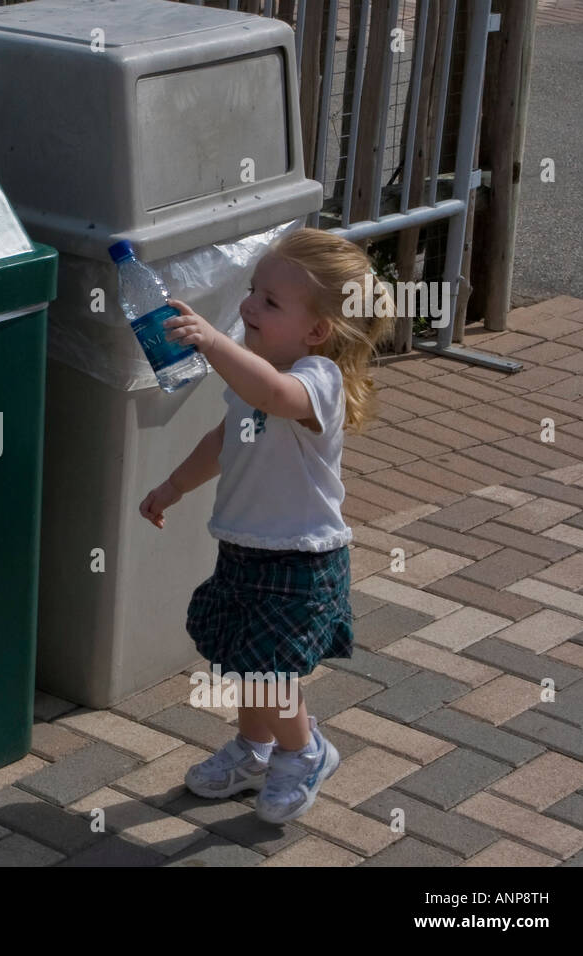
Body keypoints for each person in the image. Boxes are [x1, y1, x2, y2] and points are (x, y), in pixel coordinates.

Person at [139, 228, 396, 824]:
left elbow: (278, 396)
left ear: (317, 333)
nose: (249, 306)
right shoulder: (257, 373)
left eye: (269, 302)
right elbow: (228, 439)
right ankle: (255, 752)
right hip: (246, 549)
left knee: (267, 669)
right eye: (252, 291)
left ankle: (305, 752)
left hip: (300, 558)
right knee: (242, 659)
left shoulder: (316, 381)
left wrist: (211, 342)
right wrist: (173, 486)